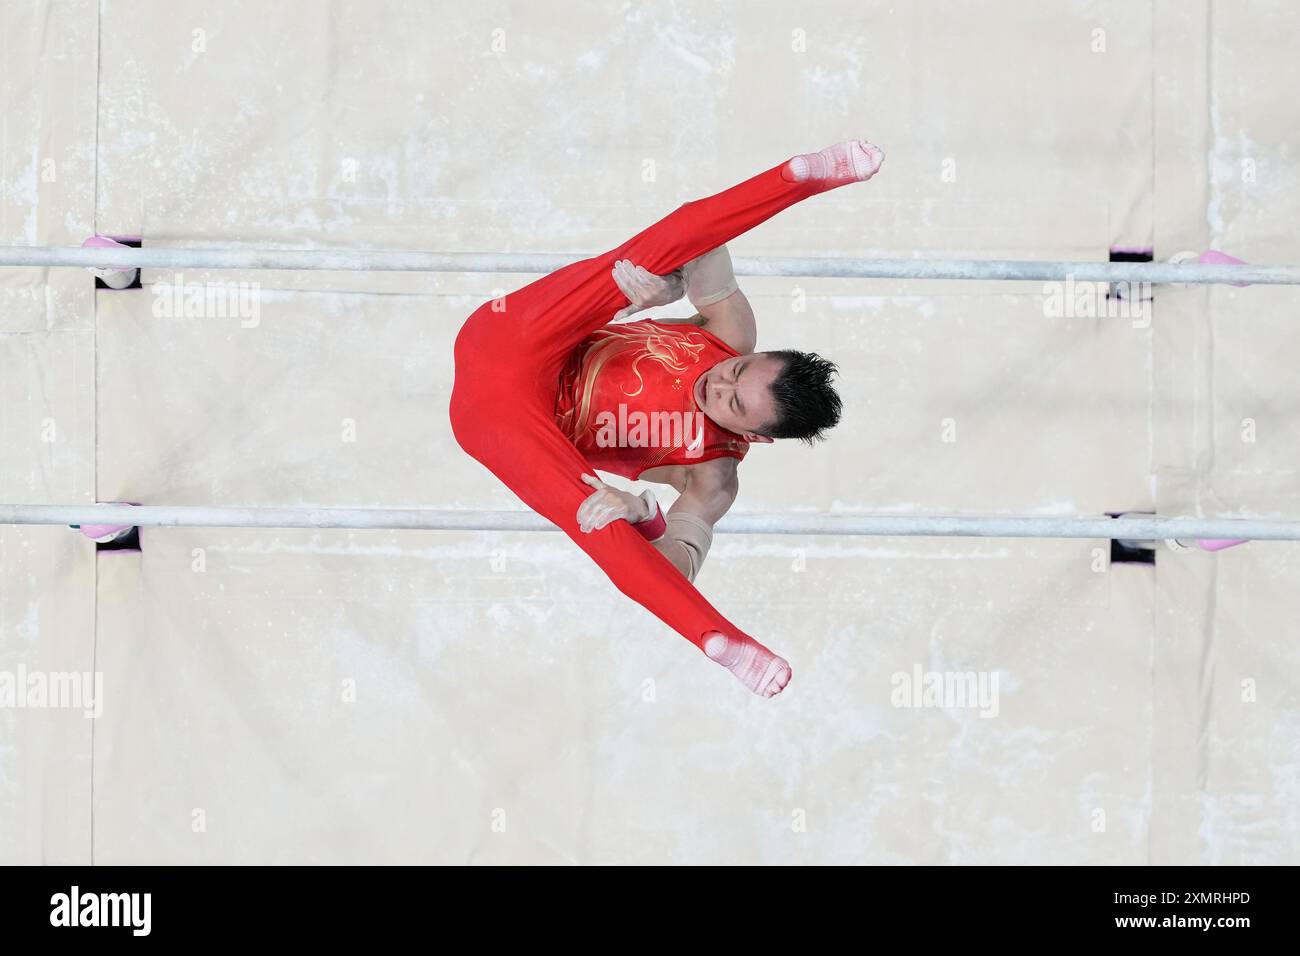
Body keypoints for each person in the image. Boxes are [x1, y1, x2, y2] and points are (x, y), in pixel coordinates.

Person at [450, 141, 885, 696]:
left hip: (509, 426)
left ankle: (718, 641)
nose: (718, 381)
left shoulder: (711, 476)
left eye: (733, 402)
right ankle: (797, 178)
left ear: (754, 436)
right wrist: (668, 288)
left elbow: (672, 568)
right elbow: (699, 238)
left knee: (598, 523)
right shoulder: (731, 330)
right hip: (515, 338)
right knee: (636, 263)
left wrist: (642, 513)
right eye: (738, 369)